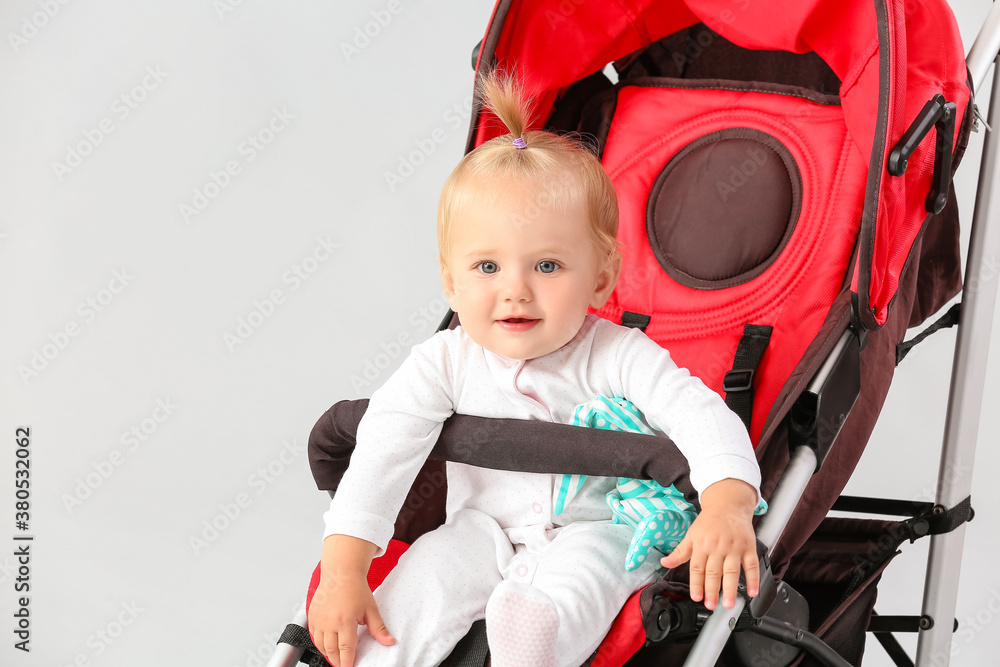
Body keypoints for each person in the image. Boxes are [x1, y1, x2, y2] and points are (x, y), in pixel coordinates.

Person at [307, 69, 764, 667]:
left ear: (600, 278)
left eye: (547, 267)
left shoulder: (618, 353)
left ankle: (533, 644)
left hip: (597, 527)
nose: (515, 292)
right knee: (426, 577)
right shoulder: (444, 361)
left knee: (587, 578)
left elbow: (699, 414)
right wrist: (344, 569)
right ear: (451, 281)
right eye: (487, 268)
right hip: (482, 527)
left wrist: (726, 502)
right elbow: (382, 451)